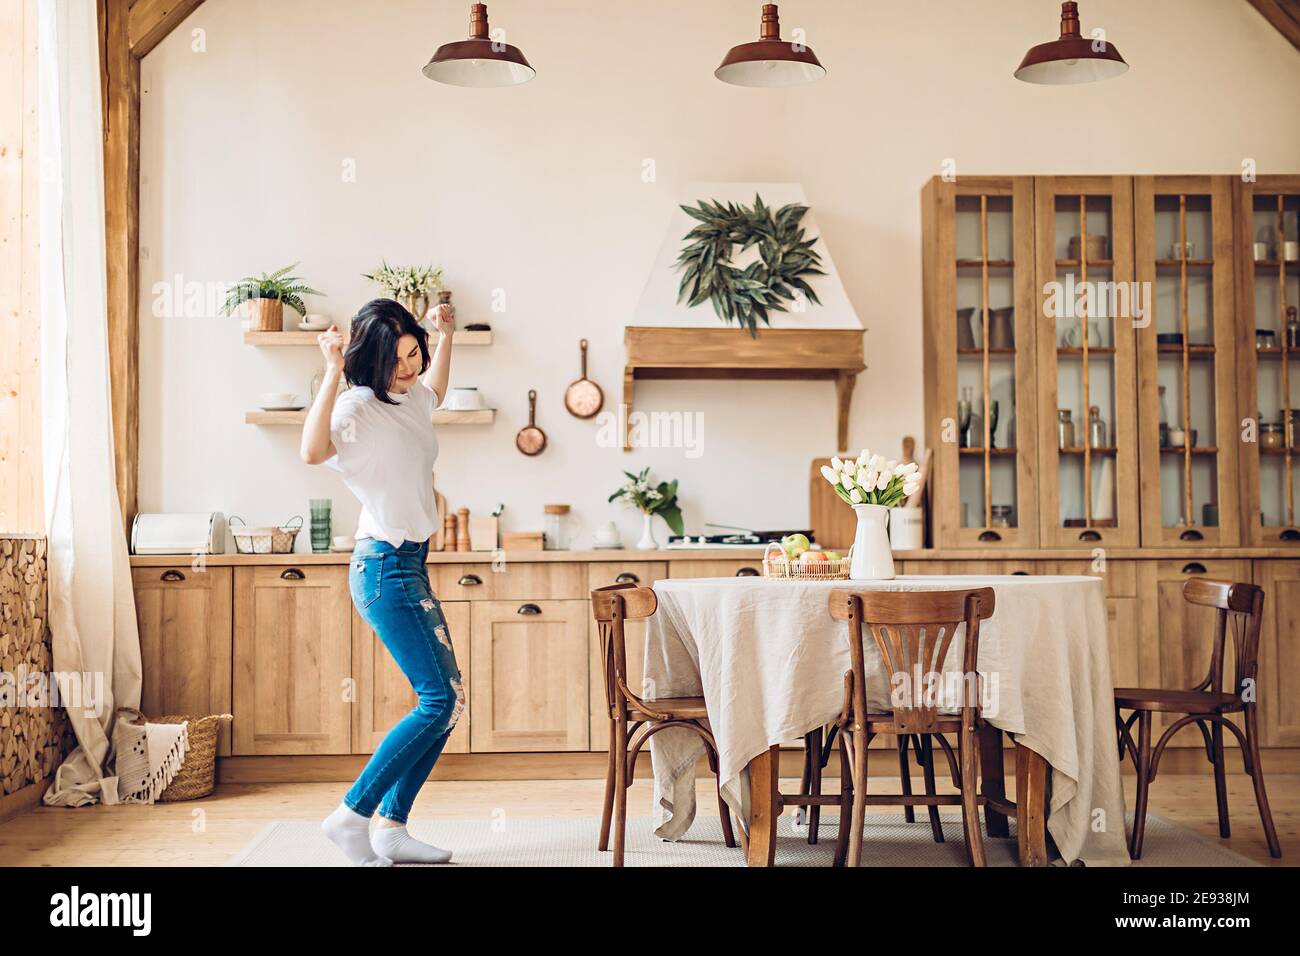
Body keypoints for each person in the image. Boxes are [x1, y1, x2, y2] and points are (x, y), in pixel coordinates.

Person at [300, 297, 460, 866]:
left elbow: (435, 388)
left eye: (413, 353)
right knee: (440, 698)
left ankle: (391, 827)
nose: (410, 367)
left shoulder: (412, 396)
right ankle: (352, 815)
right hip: (384, 566)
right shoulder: (355, 407)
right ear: (370, 361)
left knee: (448, 700)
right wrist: (330, 369)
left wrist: (444, 338)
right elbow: (312, 450)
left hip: (412, 562)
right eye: (396, 360)